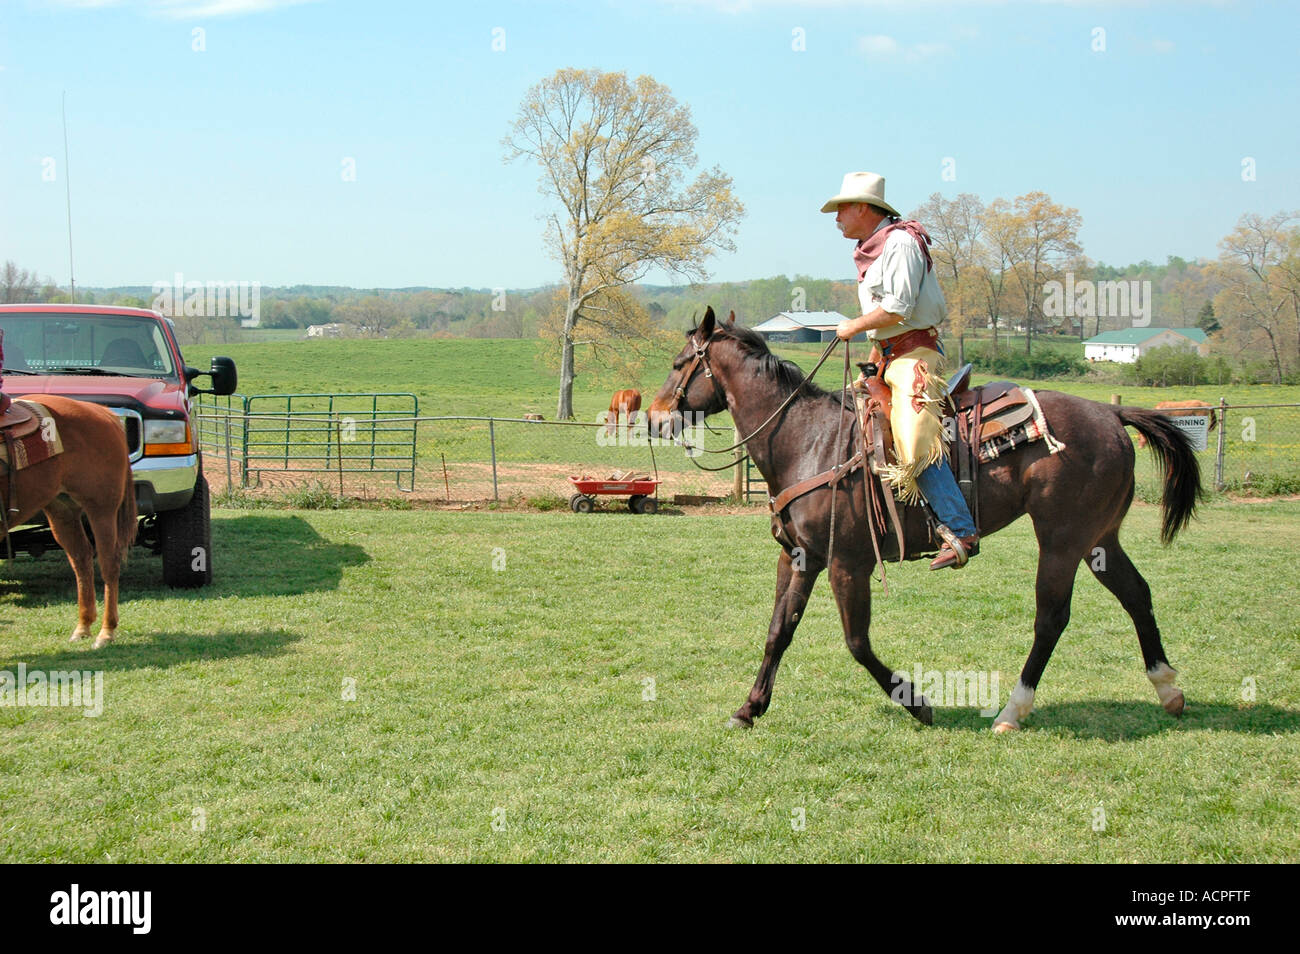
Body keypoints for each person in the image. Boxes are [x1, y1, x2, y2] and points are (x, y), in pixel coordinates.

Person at [822, 171, 978, 569]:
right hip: (888, 355)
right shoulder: (872, 248)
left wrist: (851, 326)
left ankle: (960, 528)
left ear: (861, 208)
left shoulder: (901, 243)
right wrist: (872, 362)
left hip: (916, 354)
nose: (836, 217)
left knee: (913, 435)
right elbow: (884, 323)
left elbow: (898, 308)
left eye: (841, 209)